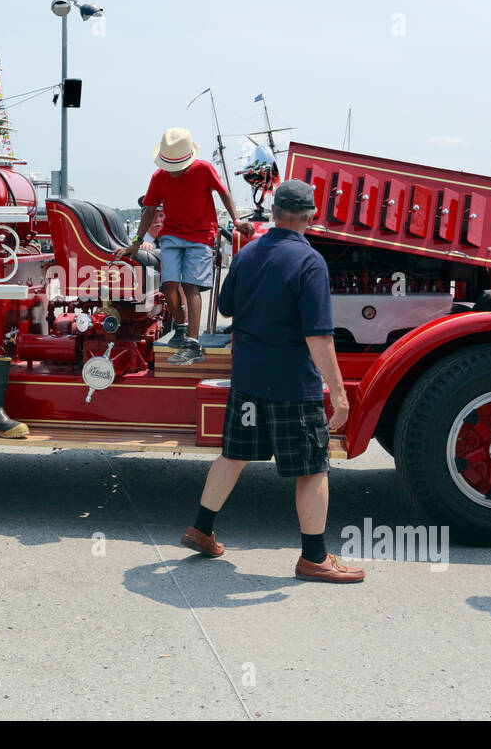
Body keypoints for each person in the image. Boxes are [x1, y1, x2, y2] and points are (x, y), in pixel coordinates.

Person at [178, 179, 362, 583]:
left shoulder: (247, 254)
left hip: (247, 380)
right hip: (292, 385)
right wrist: (340, 394)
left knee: (233, 455)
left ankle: (201, 528)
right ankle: (314, 557)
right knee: (312, 468)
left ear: (274, 213)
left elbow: (226, 307)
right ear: (310, 216)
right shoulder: (310, 261)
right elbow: (318, 336)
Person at [124, 128, 253, 366]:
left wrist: (236, 221)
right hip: (172, 234)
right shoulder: (159, 177)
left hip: (201, 234)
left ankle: (193, 344)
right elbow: (149, 211)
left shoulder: (204, 169)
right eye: (170, 167)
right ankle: (182, 327)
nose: (173, 172)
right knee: (169, 284)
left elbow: (224, 193)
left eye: (178, 167)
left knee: (191, 286)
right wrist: (135, 242)